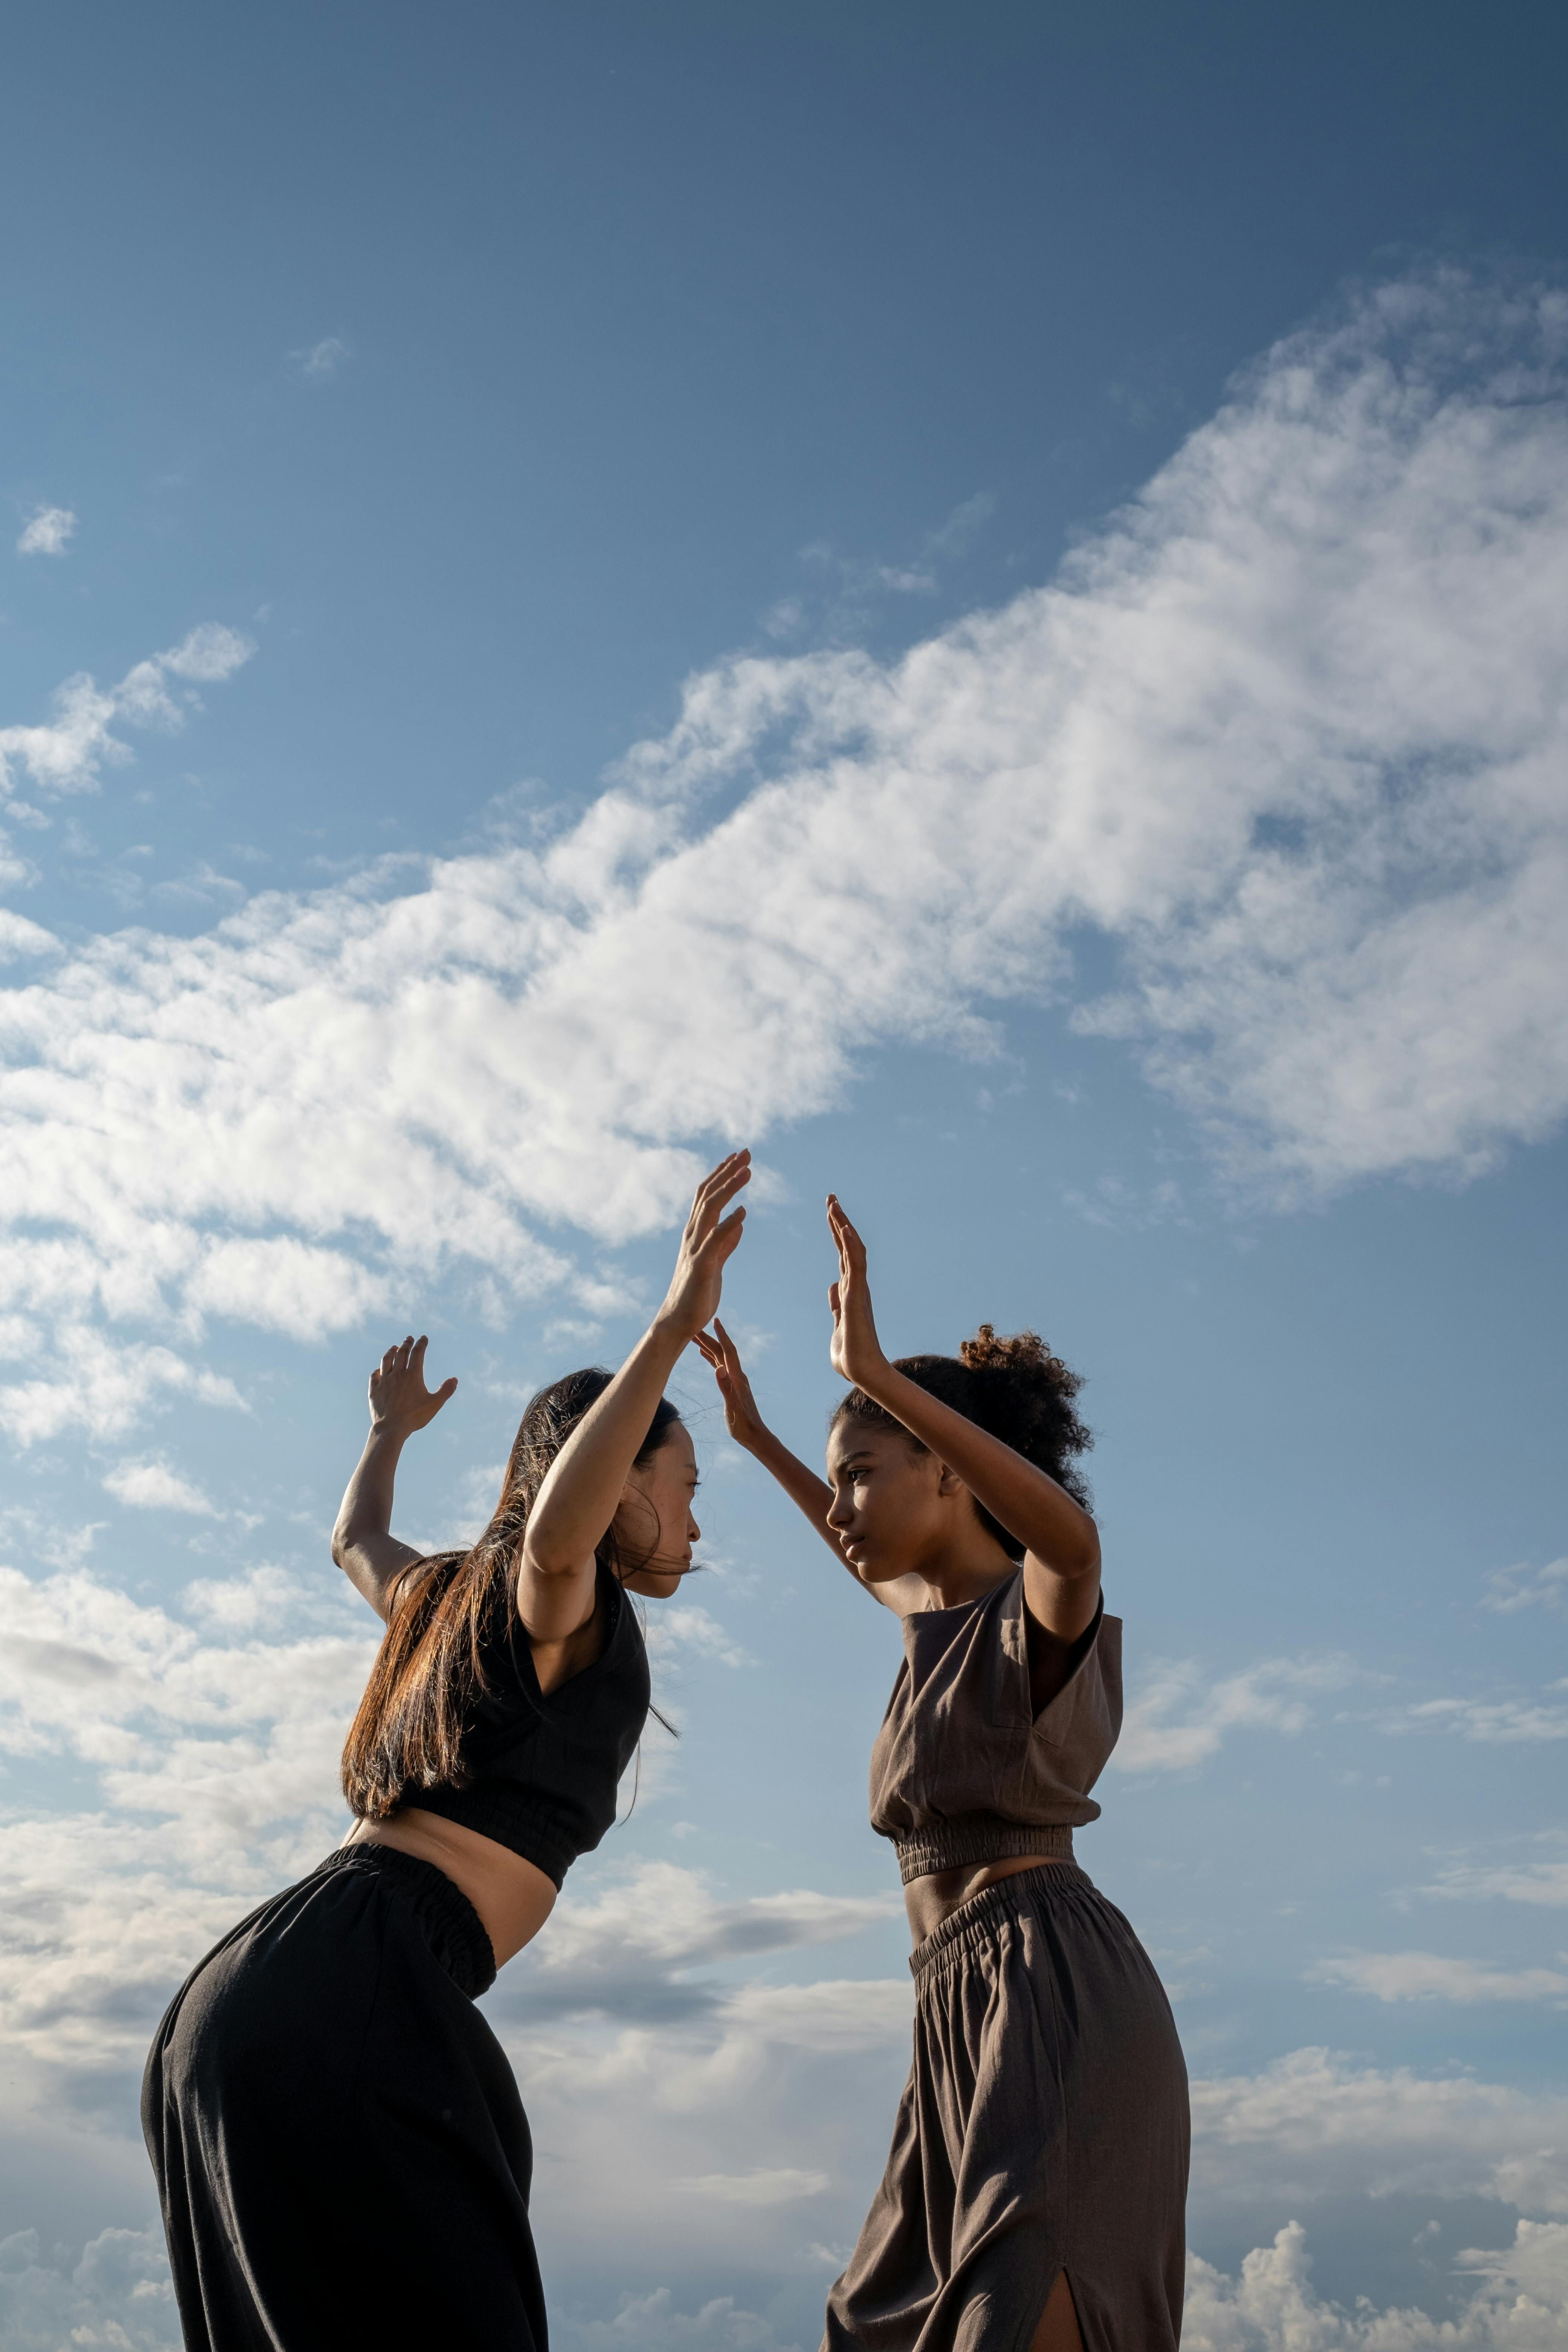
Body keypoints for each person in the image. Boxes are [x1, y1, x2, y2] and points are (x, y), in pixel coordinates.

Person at [141, 1150, 752, 2352]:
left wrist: (385, 1434)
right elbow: (557, 1527)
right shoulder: (545, 1598)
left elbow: (352, 1536)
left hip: (262, 1987)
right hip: (356, 1984)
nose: (692, 1519)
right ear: (612, 1481)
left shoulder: (443, 1607)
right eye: (680, 1484)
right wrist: (671, 1329)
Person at [697, 1194, 1188, 2352]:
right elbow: (856, 1548)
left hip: (1051, 1993)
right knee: (882, 2326)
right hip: (950, 2017)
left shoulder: (1039, 1612)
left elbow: (1075, 1544)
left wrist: (872, 1369)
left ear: (954, 1473)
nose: (842, 1504)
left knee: (1012, 2318)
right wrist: (759, 1438)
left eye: (862, 1472)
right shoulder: (930, 1623)